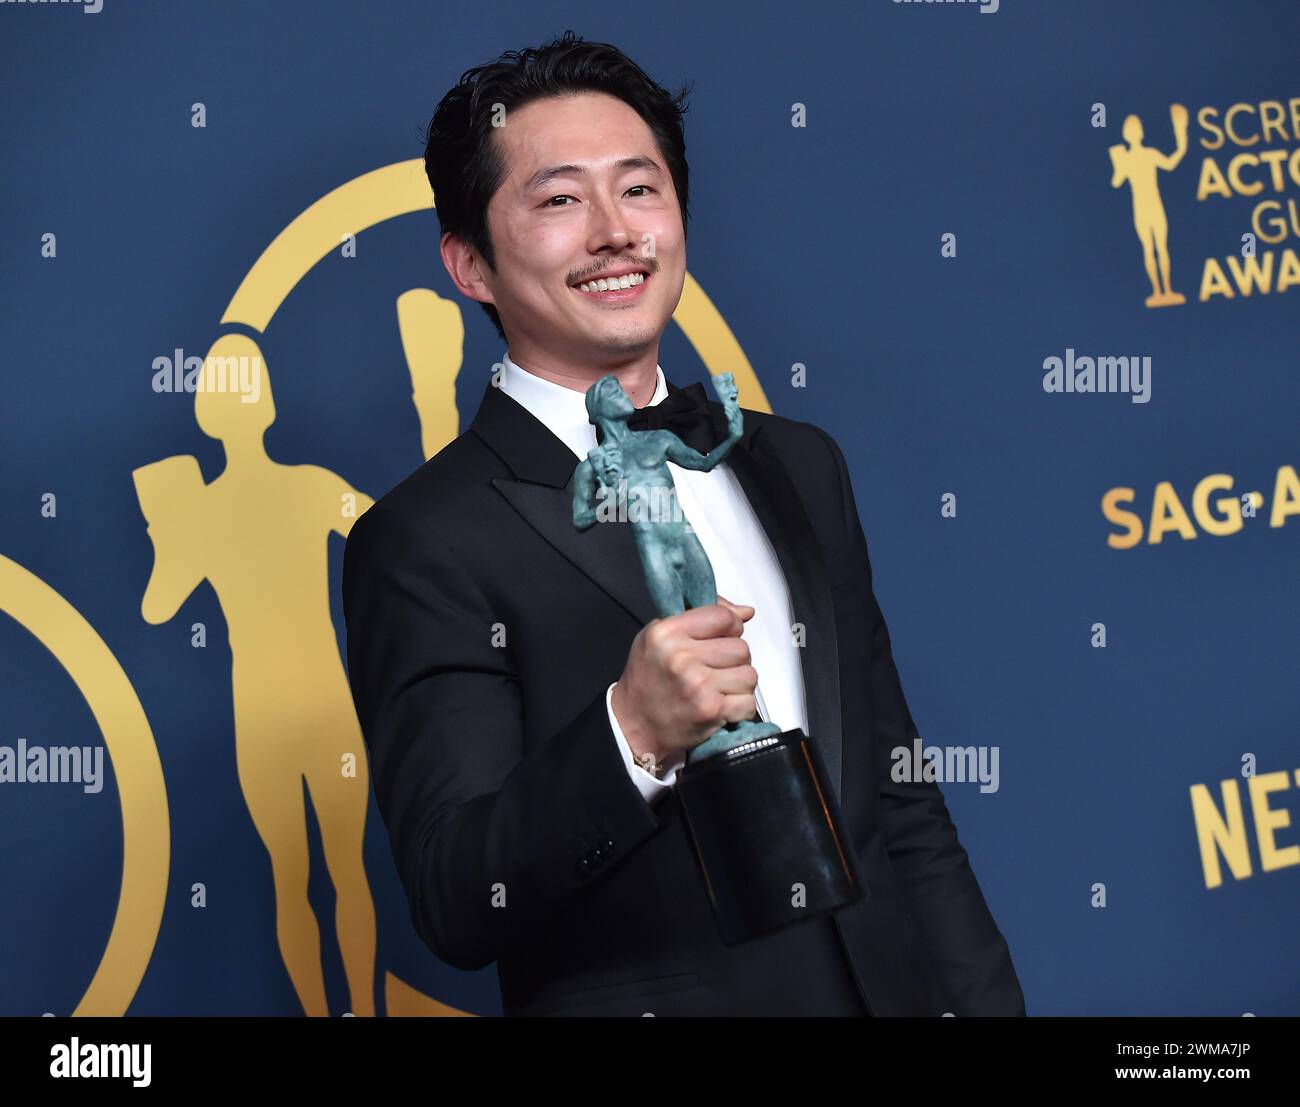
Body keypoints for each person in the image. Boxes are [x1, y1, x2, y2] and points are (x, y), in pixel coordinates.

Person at [342, 31, 1024, 1016]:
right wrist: (630, 735)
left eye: (640, 189)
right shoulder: (423, 541)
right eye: (559, 200)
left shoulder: (797, 462)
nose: (614, 231)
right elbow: (455, 895)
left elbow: (901, 798)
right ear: (470, 265)